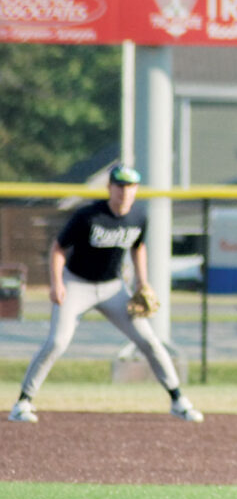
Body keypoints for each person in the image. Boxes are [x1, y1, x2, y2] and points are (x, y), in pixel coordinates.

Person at [7, 164, 203, 423]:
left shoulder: (138, 216)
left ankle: (178, 400)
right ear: (109, 188)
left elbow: (138, 247)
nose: (125, 191)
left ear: (136, 189)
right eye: (119, 186)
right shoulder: (88, 216)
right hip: (77, 284)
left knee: (150, 341)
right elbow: (58, 248)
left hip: (113, 288)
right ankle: (23, 402)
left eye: (130, 186)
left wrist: (142, 282)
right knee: (57, 342)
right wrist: (56, 283)